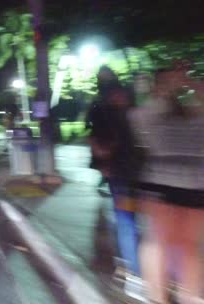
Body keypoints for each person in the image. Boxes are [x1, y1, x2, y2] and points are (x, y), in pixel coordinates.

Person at [134, 66, 204, 304]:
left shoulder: (196, 113)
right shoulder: (150, 113)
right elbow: (142, 117)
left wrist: (189, 81)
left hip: (195, 184)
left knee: (189, 246)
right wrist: (170, 85)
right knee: (158, 242)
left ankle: (190, 296)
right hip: (163, 183)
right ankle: (157, 297)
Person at [86, 66, 144, 298]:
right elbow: (92, 134)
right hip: (126, 169)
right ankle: (135, 272)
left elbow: (90, 134)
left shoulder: (102, 104)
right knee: (127, 220)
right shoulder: (112, 104)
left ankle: (135, 271)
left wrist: (102, 156)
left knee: (128, 220)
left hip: (129, 170)